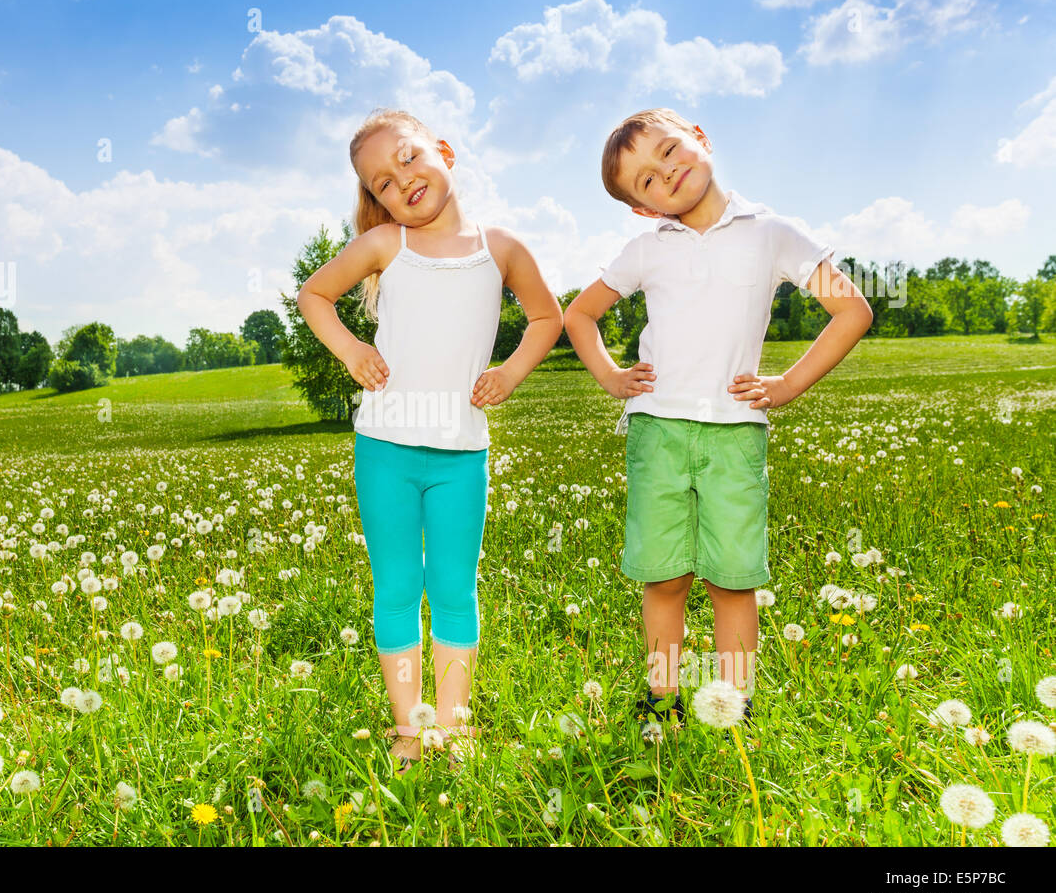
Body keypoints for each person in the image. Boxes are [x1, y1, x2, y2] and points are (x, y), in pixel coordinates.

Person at [564, 108, 873, 729]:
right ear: (642, 209)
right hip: (657, 430)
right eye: (646, 181)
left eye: (671, 151)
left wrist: (786, 385)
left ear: (699, 139)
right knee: (664, 577)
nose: (667, 173)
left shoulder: (771, 231)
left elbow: (853, 312)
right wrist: (612, 377)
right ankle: (661, 698)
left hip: (736, 432)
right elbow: (578, 316)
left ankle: (734, 707)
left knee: (732, 580)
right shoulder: (646, 249)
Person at [296, 108, 562, 770]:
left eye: (410, 158)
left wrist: (510, 372)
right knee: (395, 585)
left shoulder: (499, 248)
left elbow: (545, 316)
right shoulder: (387, 246)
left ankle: (455, 727)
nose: (402, 181)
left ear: (442, 150)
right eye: (383, 183)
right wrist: (352, 349)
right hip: (385, 449)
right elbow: (314, 296)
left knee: (452, 585)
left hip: (462, 454)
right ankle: (410, 729)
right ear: (376, 201)